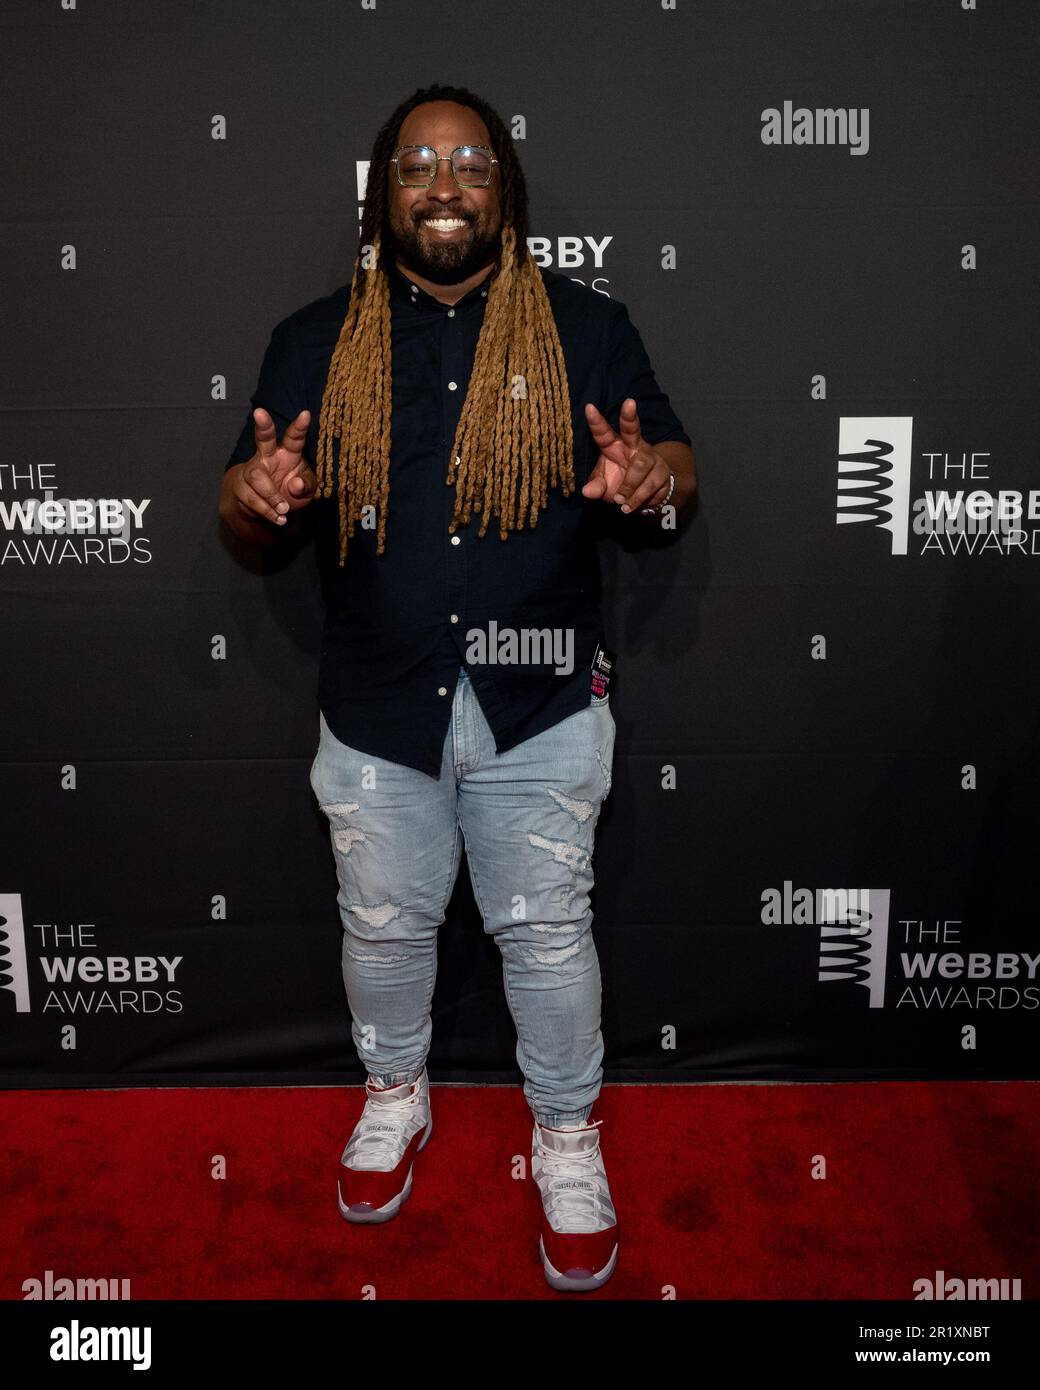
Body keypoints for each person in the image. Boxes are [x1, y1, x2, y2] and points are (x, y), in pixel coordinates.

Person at [218, 83, 696, 1293]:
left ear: (505, 193)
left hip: (538, 700)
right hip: (379, 702)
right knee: (382, 930)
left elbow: (675, 463)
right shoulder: (312, 338)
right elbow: (244, 497)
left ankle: (566, 1135)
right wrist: (254, 496)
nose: (444, 186)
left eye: (470, 165)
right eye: (419, 165)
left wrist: (650, 477)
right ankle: (395, 1094)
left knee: (545, 937)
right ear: (383, 194)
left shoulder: (588, 328)